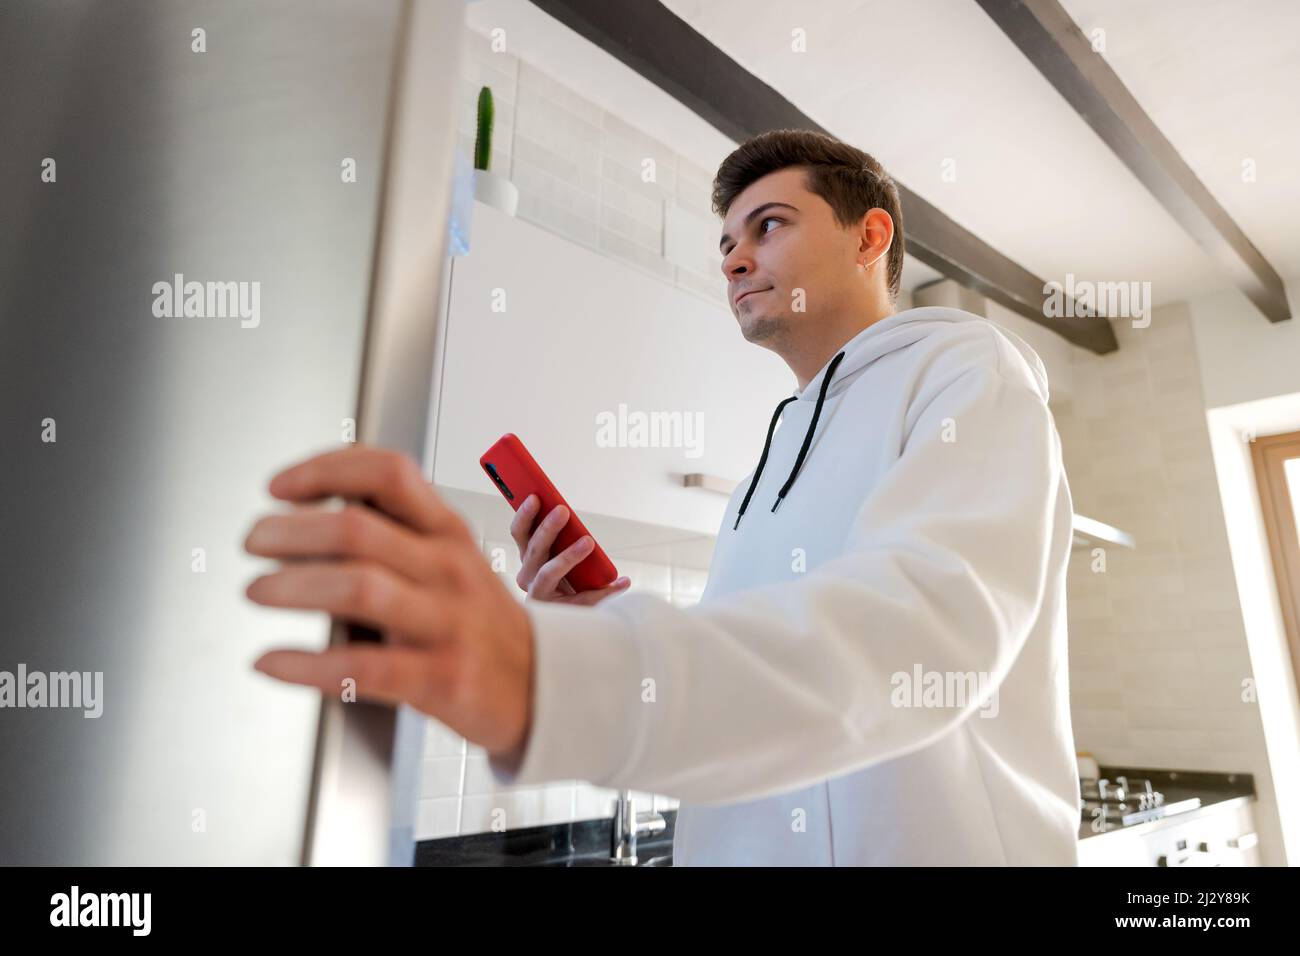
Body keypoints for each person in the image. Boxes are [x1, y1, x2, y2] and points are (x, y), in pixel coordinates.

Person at [246, 129, 1081, 865]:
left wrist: (547, 673)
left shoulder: (967, 370)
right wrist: (608, 616)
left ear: (870, 236)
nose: (734, 258)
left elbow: (925, 636)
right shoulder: (769, 458)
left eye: (769, 225)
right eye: (725, 242)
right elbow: (764, 665)